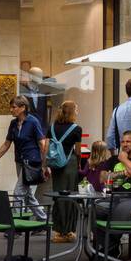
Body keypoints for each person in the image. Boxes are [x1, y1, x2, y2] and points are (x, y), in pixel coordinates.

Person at [0, 95, 49, 222]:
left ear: (23, 108)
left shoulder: (33, 122)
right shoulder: (13, 123)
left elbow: (42, 143)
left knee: (18, 192)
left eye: (13, 107)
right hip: (19, 161)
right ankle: (43, 219)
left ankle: (16, 224)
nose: (11, 109)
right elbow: (6, 144)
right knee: (27, 194)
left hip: (31, 162)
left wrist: (44, 165)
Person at [49, 101, 83, 243]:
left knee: (58, 195)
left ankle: (57, 230)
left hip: (56, 164)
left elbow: (47, 147)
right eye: (76, 109)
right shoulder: (76, 129)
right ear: (72, 112)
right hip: (70, 164)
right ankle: (68, 231)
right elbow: (78, 151)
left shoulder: (52, 127)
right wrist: (80, 164)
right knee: (70, 195)